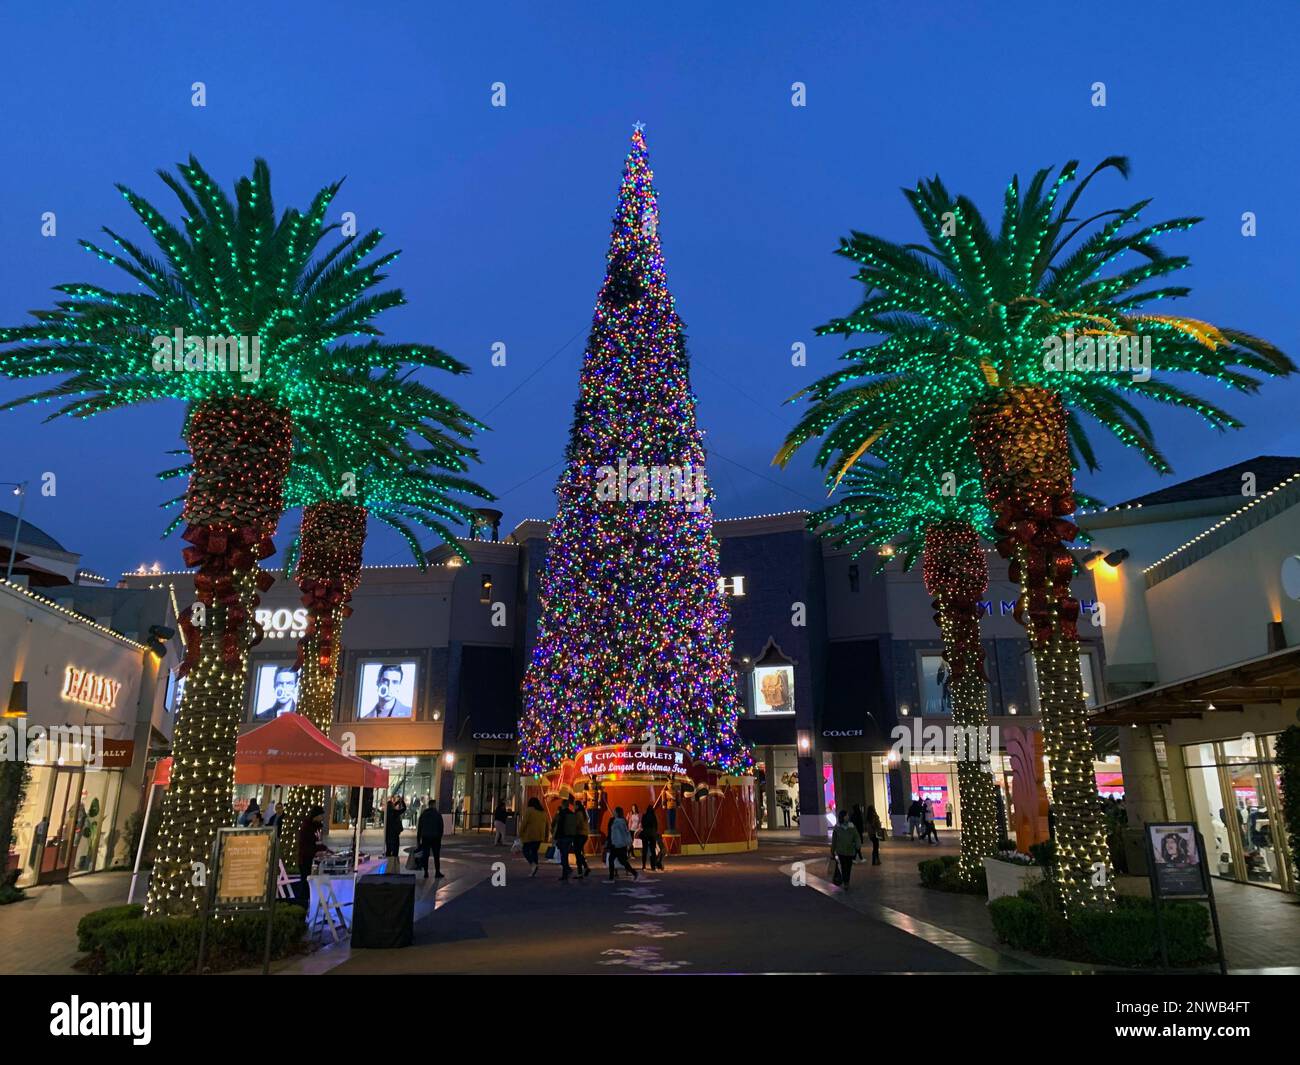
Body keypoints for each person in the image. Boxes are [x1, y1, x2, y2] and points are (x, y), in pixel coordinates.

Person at [296, 806, 331, 905]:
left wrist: (326, 850)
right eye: (321, 815)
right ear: (316, 816)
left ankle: (310, 903)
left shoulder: (317, 827)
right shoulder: (307, 828)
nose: (322, 817)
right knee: (306, 884)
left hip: (313, 859)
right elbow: (305, 846)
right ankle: (303, 904)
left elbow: (317, 843)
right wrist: (315, 852)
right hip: (305, 860)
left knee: (310, 884)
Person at [518, 797, 549, 878]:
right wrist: (546, 836)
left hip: (529, 835)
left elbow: (524, 823)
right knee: (534, 852)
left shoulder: (529, 811)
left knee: (525, 850)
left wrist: (520, 833)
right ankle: (533, 869)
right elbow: (547, 825)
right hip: (539, 836)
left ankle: (533, 864)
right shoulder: (543, 812)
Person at [831, 810, 862, 889]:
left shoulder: (852, 826)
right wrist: (832, 851)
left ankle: (846, 880)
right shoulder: (837, 827)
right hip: (841, 851)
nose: (848, 817)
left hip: (850, 850)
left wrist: (858, 845)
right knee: (844, 867)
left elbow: (856, 836)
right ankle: (846, 882)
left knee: (848, 867)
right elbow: (834, 840)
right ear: (843, 817)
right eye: (846, 815)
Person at [605, 806, 638, 881]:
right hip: (619, 844)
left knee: (614, 859)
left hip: (616, 844)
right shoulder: (622, 821)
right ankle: (634, 873)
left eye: (615, 811)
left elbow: (616, 832)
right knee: (621, 861)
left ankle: (611, 877)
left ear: (617, 813)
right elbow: (625, 833)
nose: (613, 812)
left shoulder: (617, 821)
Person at [416, 798, 445, 879]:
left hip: (425, 837)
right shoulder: (438, 814)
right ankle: (437, 872)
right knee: (436, 855)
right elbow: (441, 827)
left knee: (426, 855)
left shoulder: (424, 814)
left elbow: (420, 827)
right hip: (435, 838)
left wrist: (418, 839)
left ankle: (426, 872)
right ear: (434, 805)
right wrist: (439, 837)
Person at [552, 797, 579, 881]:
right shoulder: (572, 813)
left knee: (563, 856)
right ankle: (567, 870)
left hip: (562, 836)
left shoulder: (561, 814)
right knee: (565, 854)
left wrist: (555, 837)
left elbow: (559, 826)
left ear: (562, 805)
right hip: (570, 836)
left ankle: (565, 874)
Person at [572, 799, 591, 878]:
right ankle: (585, 867)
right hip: (584, 835)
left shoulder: (578, 814)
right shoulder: (583, 813)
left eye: (574, 805)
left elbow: (576, 824)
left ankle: (581, 871)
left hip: (579, 834)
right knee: (578, 853)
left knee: (577, 853)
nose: (574, 807)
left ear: (577, 806)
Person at [641, 803, 662, 871]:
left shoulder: (644, 816)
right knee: (652, 851)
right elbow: (656, 826)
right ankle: (653, 866)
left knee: (644, 850)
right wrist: (654, 833)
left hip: (645, 834)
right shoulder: (653, 816)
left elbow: (642, 824)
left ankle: (644, 865)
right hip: (652, 835)